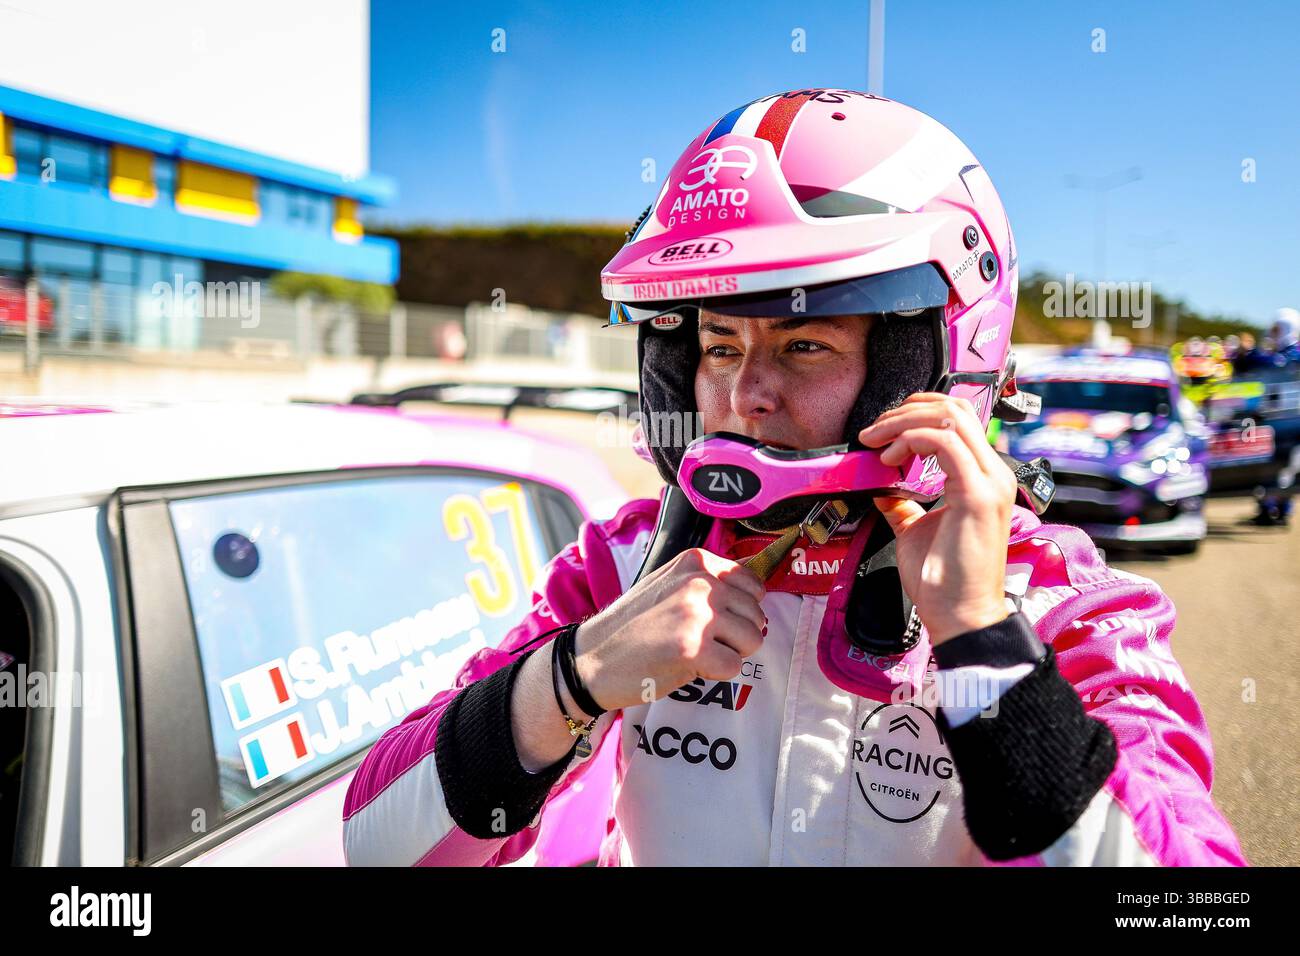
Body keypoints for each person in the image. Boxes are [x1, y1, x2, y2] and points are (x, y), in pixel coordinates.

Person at [342, 89, 1244, 866]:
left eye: (805, 344)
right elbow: (379, 846)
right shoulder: (623, 566)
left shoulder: (1064, 603)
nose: (744, 395)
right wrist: (575, 679)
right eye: (718, 344)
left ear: (926, 357)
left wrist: (983, 646)